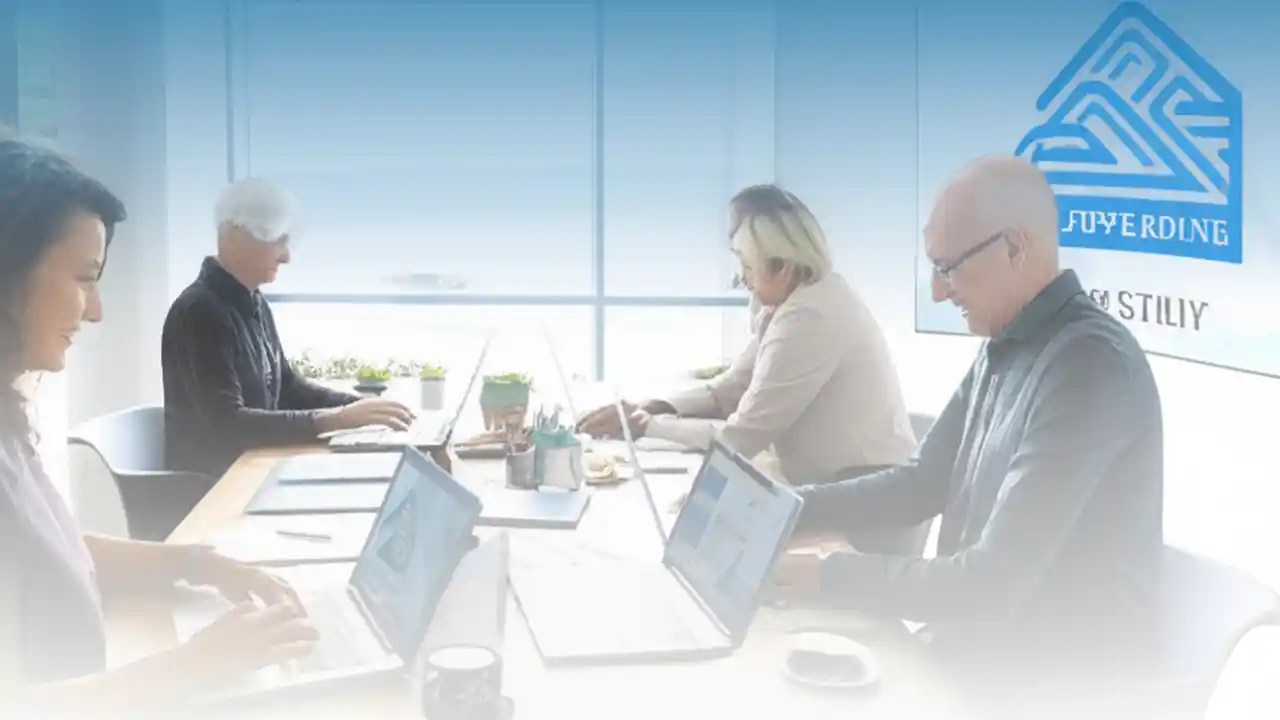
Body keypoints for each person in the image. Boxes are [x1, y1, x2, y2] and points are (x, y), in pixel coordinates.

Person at [771, 156, 1164, 715]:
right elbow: (922, 483)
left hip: (1052, 684)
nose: (937, 291)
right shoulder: (1007, 344)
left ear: (1014, 248)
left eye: (948, 267)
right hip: (980, 654)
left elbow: (990, 584)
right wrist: (780, 509)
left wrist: (825, 574)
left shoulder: (1089, 364)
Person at [0, 137, 316, 714]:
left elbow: (53, 550)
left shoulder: (9, 419)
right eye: (83, 277)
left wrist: (198, 563)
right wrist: (193, 667)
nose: (96, 310)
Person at [578, 184, 922, 553]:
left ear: (783, 265)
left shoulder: (811, 316)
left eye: (748, 268)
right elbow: (729, 390)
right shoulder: (792, 302)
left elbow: (740, 439)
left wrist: (644, 426)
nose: (744, 281)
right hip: (835, 491)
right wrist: (651, 406)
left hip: (865, 510)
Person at [162, 178, 413, 478]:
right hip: (215, 486)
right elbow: (227, 425)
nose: (286, 256)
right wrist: (333, 420)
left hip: (255, 467)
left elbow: (287, 387)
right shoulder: (199, 311)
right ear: (236, 235)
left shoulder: (253, 301)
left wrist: (363, 408)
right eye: (278, 240)